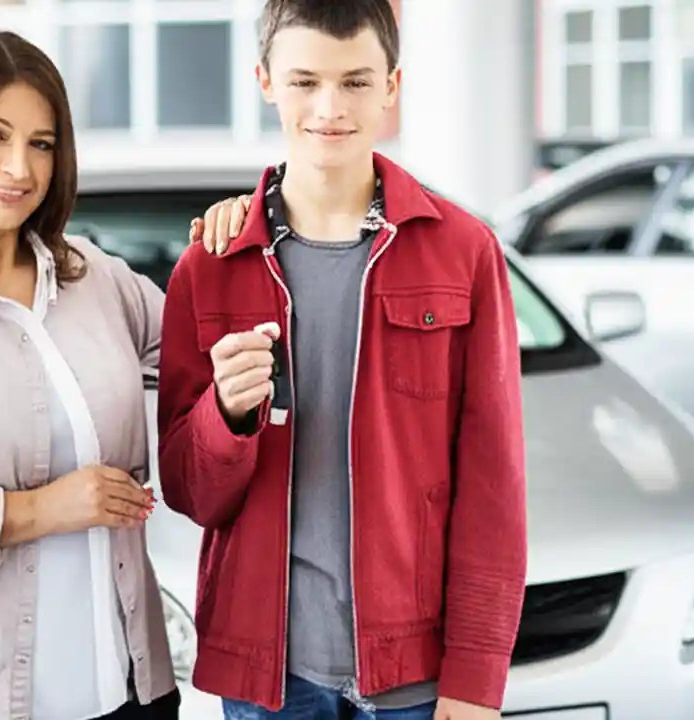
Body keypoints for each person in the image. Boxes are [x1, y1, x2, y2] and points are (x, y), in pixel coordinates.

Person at [157, 1, 529, 719]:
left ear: (393, 85)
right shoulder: (211, 267)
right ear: (265, 81)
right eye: (304, 82)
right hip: (270, 679)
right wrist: (226, 416)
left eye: (356, 82)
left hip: (414, 678)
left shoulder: (464, 253)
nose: (329, 108)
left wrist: (475, 677)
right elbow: (188, 492)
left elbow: (493, 488)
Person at [0, 29, 230, 720]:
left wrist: (234, 240)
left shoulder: (97, 277)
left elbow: (213, 354)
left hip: (129, 692)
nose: (19, 167)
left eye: (42, 142)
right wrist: (36, 510)